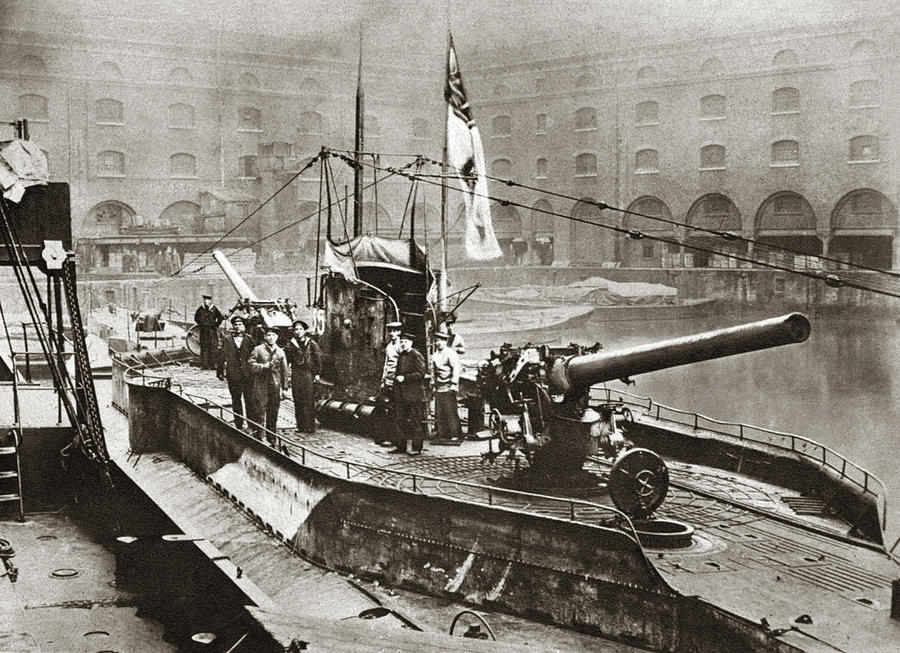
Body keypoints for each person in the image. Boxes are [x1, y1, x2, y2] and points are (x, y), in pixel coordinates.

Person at [248, 326, 289, 443]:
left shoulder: (280, 352)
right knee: (260, 411)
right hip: (261, 385)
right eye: (269, 335)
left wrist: (285, 387)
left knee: (273, 412)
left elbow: (284, 371)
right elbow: (250, 364)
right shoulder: (258, 349)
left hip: (274, 386)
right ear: (265, 337)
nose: (271, 338)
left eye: (274, 336)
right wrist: (262, 367)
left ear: (277, 337)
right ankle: (259, 438)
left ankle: (271, 438)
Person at [217, 315, 255, 431]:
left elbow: (254, 356)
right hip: (233, 374)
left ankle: (251, 425)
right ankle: (239, 424)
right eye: (236, 325)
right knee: (236, 399)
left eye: (240, 324)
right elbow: (221, 356)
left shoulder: (249, 339)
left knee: (250, 400)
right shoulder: (227, 340)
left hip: (248, 374)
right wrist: (220, 372)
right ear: (233, 326)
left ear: (243, 326)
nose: (238, 327)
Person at [393, 331, 428, 455]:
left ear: (411, 343)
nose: (403, 344)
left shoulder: (416, 355)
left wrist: (405, 378)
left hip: (413, 394)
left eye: (405, 342)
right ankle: (400, 446)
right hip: (401, 394)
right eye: (401, 342)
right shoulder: (402, 355)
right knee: (400, 420)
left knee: (415, 421)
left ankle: (416, 448)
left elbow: (421, 373)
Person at [284, 319, 321, 434]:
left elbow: (318, 359)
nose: (298, 331)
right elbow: (286, 359)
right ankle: (300, 426)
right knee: (298, 399)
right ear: (294, 331)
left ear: (304, 331)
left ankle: (310, 426)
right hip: (296, 373)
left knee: (308, 399)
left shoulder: (311, 343)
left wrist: (317, 373)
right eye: (296, 329)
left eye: (300, 329)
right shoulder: (290, 344)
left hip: (308, 374)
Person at [375, 320, 403, 447]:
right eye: (390, 331)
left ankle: (395, 439)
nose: (392, 333)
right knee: (386, 410)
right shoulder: (389, 347)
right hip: (388, 381)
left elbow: (402, 365)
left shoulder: (400, 346)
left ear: (399, 332)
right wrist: (383, 380)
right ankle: (385, 437)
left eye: (395, 331)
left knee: (395, 411)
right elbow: (386, 365)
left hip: (397, 383)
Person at [431, 327, 462, 441]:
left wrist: (454, 383)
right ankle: (442, 433)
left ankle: (455, 434)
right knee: (440, 411)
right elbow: (433, 371)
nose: (438, 343)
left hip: (449, 385)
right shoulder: (435, 355)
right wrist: (433, 385)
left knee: (450, 410)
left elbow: (456, 369)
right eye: (436, 341)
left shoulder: (451, 353)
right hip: (439, 386)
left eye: (440, 341)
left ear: (445, 342)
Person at [194, 294, 223, 369]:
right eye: (205, 300)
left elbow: (220, 317)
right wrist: (200, 324)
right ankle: (204, 365)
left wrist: (216, 325)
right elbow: (196, 318)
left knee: (213, 347)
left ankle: (213, 365)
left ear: (210, 301)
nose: (206, 301)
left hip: (212, 331)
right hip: (203, 331)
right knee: (204, 347)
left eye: (207, 300)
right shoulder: (200, 309)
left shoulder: (214, 309)